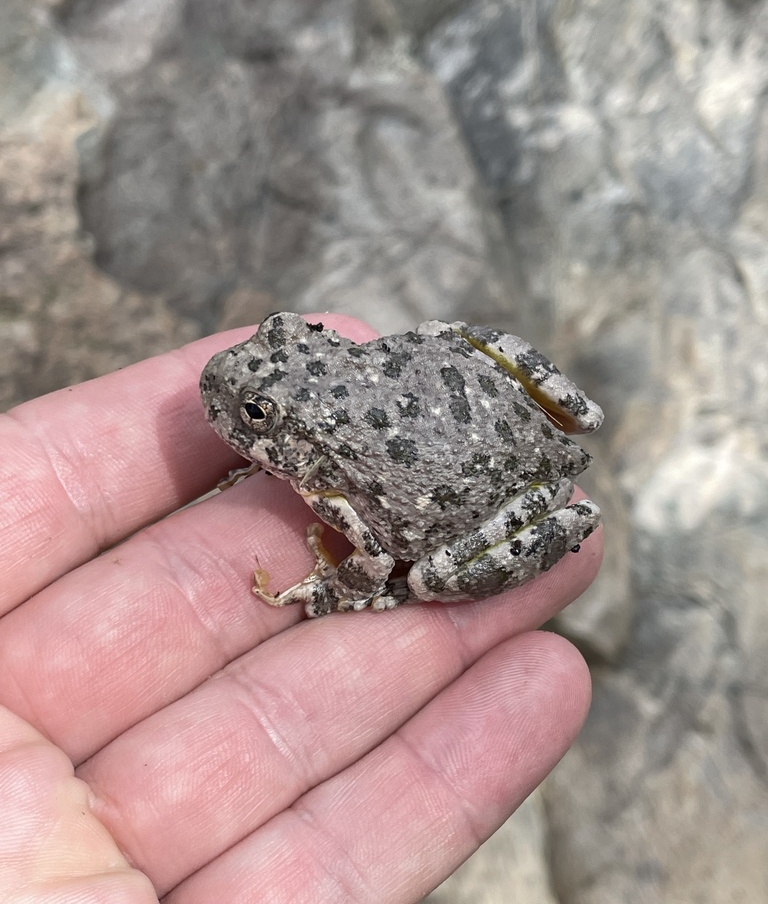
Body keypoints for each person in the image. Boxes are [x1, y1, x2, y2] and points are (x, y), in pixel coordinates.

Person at [0, 314, 602, 903]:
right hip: (488, 413)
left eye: (256, 416)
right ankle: (569, 415)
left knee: (428, 575)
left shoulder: (329, 481)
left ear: (299, 448)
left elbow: (370, 553)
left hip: (504, 496)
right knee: (447, 332)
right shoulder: (332, 423)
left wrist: (340, 591)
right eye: (274, 329)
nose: (224, 382)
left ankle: (415, 585)